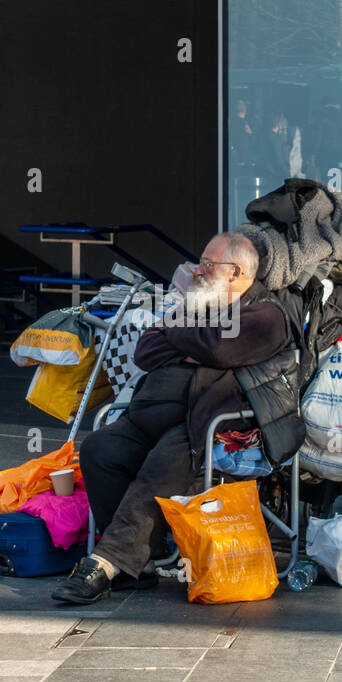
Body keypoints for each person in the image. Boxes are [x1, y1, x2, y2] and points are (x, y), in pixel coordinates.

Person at [52, 232, 298, 605]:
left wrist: (179, 334)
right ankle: (140, 566)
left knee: (164, 463)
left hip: (208, 422)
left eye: (208, 265)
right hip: (149, 417)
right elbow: (146, 349)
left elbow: (218, 347)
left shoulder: (266, 315)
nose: (197, 270)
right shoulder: (201, 307)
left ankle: (105, 563)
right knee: (101, 449)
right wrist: (192, 341)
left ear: (235, 272)